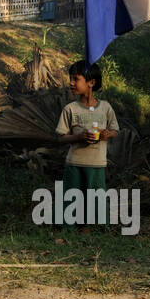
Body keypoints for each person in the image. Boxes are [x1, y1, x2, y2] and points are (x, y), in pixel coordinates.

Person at [55, 60, 119, 226]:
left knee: (95, 199)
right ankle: (66, 230)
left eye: (76, 79)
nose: (71, 82)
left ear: (91, 82)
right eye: (71, 78)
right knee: (71, 199)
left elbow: (115, 130)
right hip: (74, 163)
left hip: (97, 164)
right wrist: (79, 137)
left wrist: (107, 134)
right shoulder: (70, 109)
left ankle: (91, 230)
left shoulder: (105, 108)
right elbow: (61, 138)